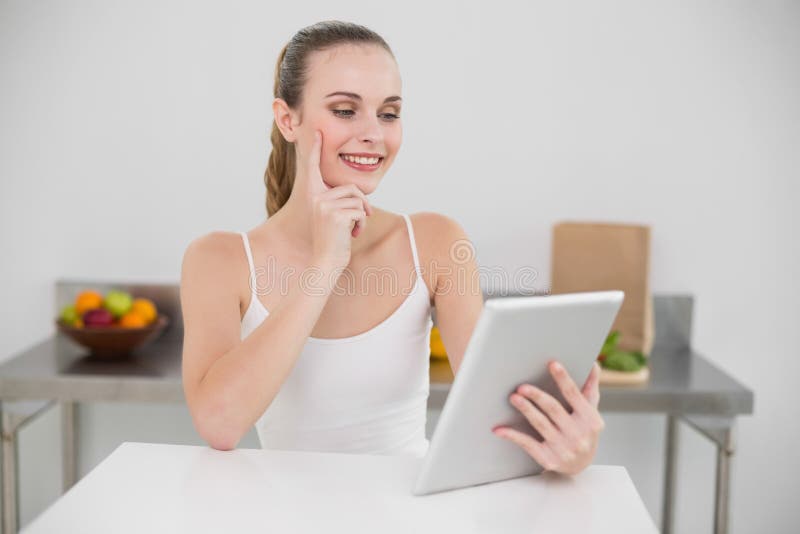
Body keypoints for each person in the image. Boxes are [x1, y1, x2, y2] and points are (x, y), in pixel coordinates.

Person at [180, 20, 605, 475]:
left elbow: (501, 418)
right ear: (288, 119)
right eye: (345, 110)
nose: (373, 134)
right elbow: (220, 424)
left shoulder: (436, 243)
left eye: (388, 113)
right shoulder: (219, 260)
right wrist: (326, 263)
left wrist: (570, 449)